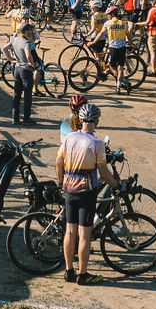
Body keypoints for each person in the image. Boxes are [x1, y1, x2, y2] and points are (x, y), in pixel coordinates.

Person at [56, 103, 120, 285]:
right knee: (84, 235)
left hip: (70, 189)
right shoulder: (96, 144)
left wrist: (62, 181)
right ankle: (83, 274)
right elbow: (104, 171)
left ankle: (68, 271)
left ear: (81, 120)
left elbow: (58, 160)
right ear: (97, 122)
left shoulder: (69, 138)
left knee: (70, 231)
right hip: (87, 192)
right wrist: (116, 184)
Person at [9, 21, 40, 126]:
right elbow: (28, 55)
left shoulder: (15, 39)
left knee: (16, 95)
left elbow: (4, 49)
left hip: (17, 68)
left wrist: (11, 59)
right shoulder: (25, 42)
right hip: (25, 70)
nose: (31, 32)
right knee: (27, 95)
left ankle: (15, 118)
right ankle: (26, 118)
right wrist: (32, 65)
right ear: (26, 31)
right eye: (30, 30)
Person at [102, 5, 133, 93]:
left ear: (111, 14)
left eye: (108, 14)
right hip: (121, 48)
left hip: (113, 48)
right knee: (120, 68)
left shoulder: (108, 23)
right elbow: (128, 35)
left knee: (111, 66)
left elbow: (101, 34)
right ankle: (118, 87)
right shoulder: (123, 23)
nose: (107, 16)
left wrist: (93, 42)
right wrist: (132, 44)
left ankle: (123, 81)